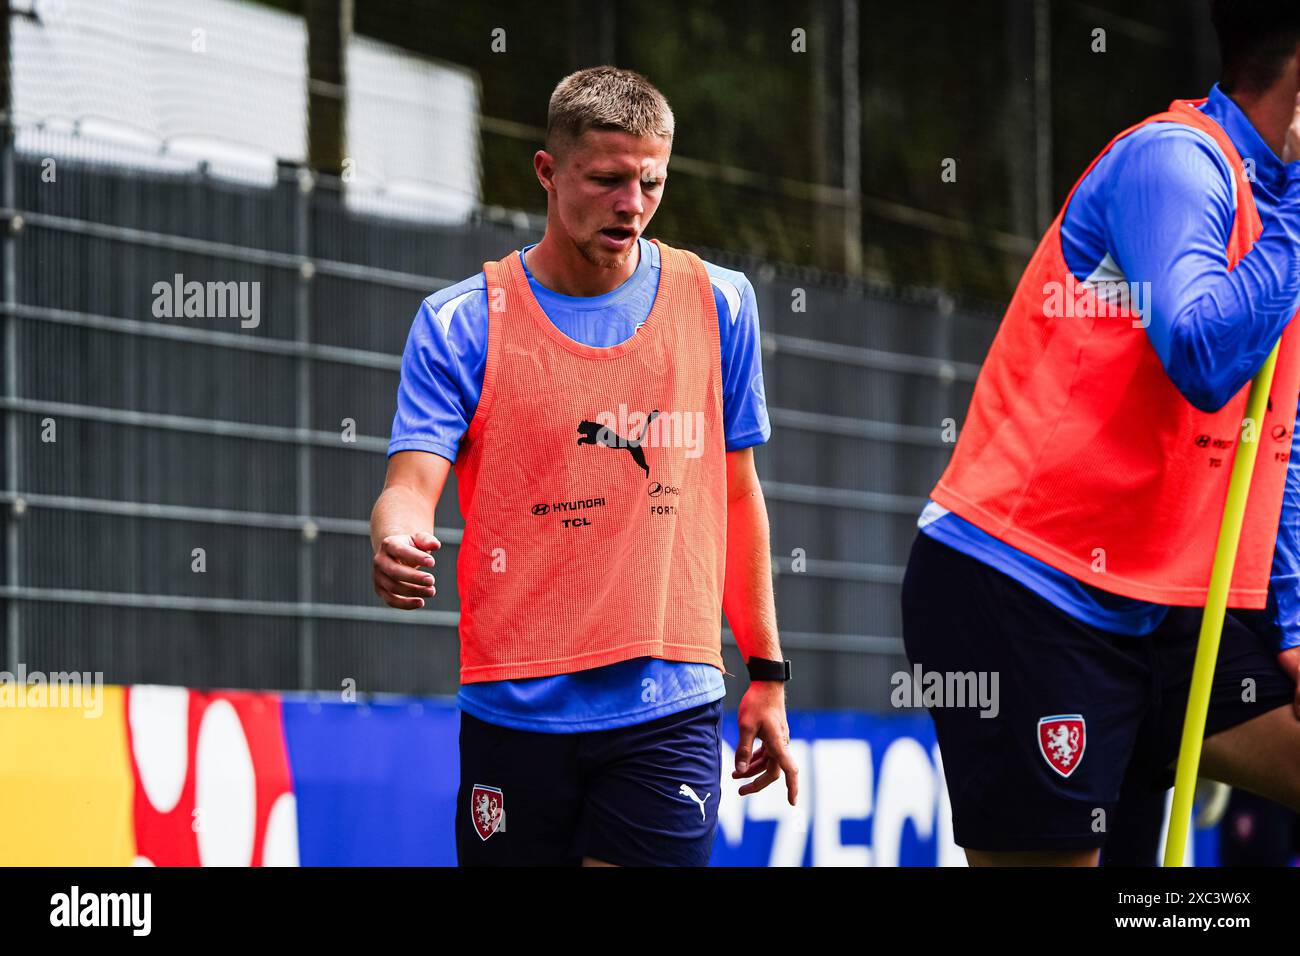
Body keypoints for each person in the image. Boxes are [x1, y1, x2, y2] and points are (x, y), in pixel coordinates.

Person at [902, 0, 1300, 866]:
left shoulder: (1283, 201)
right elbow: (1201, 352)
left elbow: (1281, 432)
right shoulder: (1175, 162)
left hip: (1169, 605)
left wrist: (1294, 621)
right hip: (1029, 590)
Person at [370, 66, 797, 867]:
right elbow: (409, 486)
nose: (631, 203)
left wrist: (767, 671)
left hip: (667, 706)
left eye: (651, 182)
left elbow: (738, 497)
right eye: (606, 180)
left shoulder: (720, 304)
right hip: (512, 706)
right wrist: (397, 537)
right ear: (548, 171)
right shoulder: (462, 322)